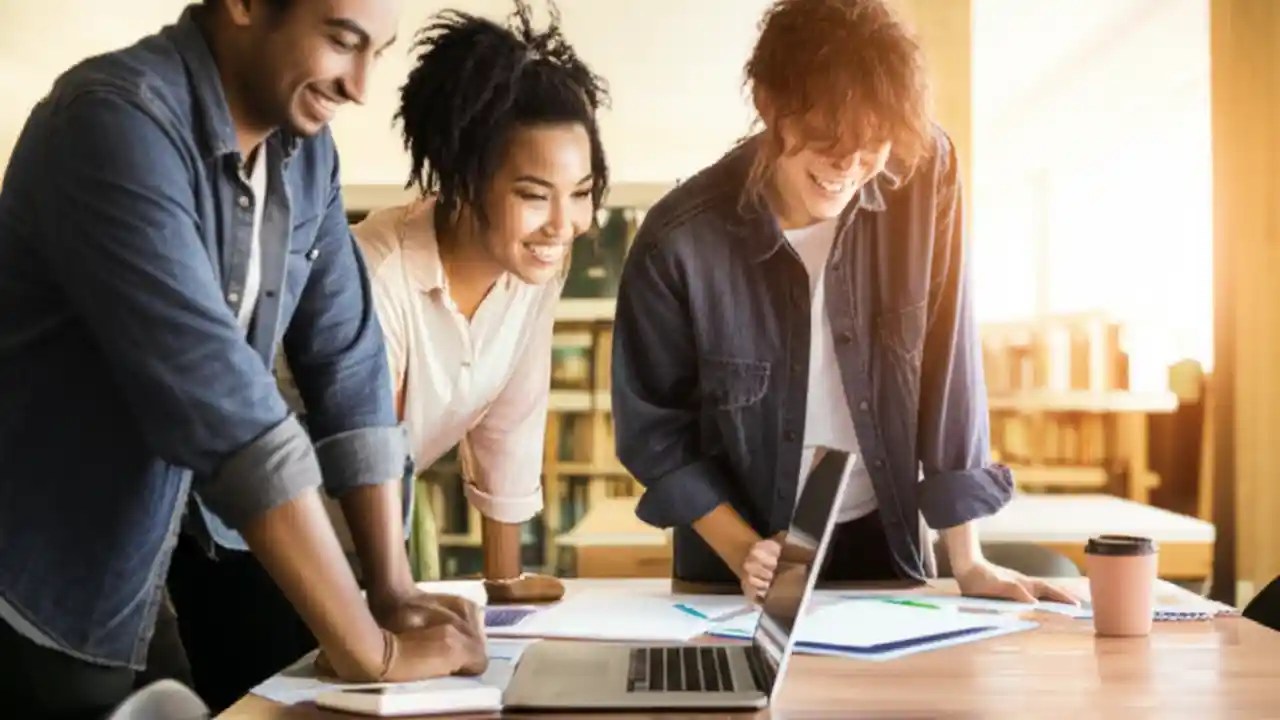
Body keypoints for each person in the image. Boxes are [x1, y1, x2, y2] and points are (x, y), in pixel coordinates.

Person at [0, 1, 486, 716]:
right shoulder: (109, 124)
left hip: (150, 564)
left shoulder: (306, 152)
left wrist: (392, 591)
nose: (359, 86)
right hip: (42, 583)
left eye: (376, 53)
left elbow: (348, 363)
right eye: (341, 42)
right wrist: (372, 652)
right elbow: (226, 410)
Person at [611, 0, 1077, 606]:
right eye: (828, 141)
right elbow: (653, 428)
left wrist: (968, 560)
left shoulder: (923, 171)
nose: (849, 167)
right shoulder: (679, 239)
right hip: (736, 557)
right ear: (770, 107)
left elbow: (946, 356)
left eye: (872, 145)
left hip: (883, 538)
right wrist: (744, 551)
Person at [350, 0, 609, 604]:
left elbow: (511, 419)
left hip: (366, 546)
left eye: (581, 194)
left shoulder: (535, 270)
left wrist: (504, 581)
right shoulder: (376, 275)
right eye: (534, 194)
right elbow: (366, 461)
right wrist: (392, 604)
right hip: (261, 544)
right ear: (464, 179)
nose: (563, 224)